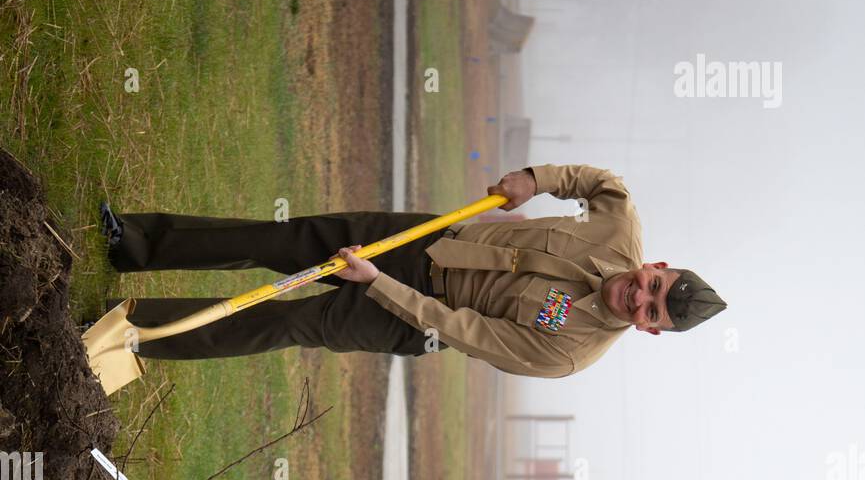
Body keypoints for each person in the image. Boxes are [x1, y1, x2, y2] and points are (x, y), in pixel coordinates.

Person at [91, 164, 726, 377]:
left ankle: (131, 334)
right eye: (652, 285)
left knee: (284, 322)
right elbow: (602, 182)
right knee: (282, 242)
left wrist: (377, 284)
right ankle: (133, 243)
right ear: (657, 265)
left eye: (649, 311)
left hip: (412, 315)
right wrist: (535, 180)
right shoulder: (620, 227)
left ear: (647, 331)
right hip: (430, 239)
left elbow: (462, 330)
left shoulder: (569, 352)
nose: (637, 296)